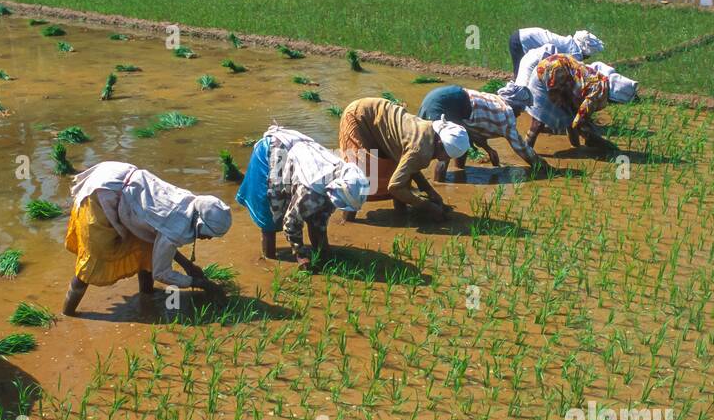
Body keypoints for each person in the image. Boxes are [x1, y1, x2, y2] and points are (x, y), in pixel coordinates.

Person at [62, 162, 232, 315]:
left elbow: (162, 242)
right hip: (101, 195)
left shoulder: (190, 204)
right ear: (200, 225)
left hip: (118, 174)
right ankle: (68, 313)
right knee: (94, 261)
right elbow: (162, 273)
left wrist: (188, 265)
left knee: (146, 247)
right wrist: (203, 284)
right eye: (209, 235)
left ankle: (147, 294)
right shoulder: (175, 226)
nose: (208, 239)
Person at [236, 125, 369, 271]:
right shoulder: (311, 190)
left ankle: (320, 249)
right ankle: (268, 257)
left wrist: (324, 250)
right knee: (271, 213)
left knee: (317, 214)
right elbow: (290, 222)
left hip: (296, 149)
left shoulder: (345, 177)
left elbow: (321, 216)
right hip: (272, 151)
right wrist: (300, 254)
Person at [338, 96, 468, 220]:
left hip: (376, 115)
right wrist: (427, 206)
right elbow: (395, 187)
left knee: (397, 172)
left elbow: (411, 167)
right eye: (445, 156)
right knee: (360, 175)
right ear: (440, 144)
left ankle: (400, 214)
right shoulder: (419, 148)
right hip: (358, 116)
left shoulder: (431, 132)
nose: (442, 160)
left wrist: (430, 192)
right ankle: (347, 221)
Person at [418, 83, 548, 178]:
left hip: (438, 96)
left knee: (461, 139)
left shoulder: (496, 100)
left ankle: (459, 170)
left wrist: (488, 149)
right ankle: (439, 184)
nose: (520, 113)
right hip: (443, 105)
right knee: (447, 148)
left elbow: (470, 132)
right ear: (514, 104)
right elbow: (521, 148)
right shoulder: (506, 115)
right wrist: (542, 166)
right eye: (520, 109)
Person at [533, 54, 616, 151]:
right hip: (550, 75)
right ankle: (527, 147)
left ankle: (575, 145)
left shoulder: (597, 80)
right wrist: (596, 139)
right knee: (540, 121)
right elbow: (579, 121)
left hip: (554, 71)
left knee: (570, 112)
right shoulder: (595, 93)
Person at [507, 26, 604, 73]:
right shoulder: (574, 53)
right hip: (521, 40)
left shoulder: (570, 44)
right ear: (586, 51)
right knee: (521, 75)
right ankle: (514, 102)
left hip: (521, 35)